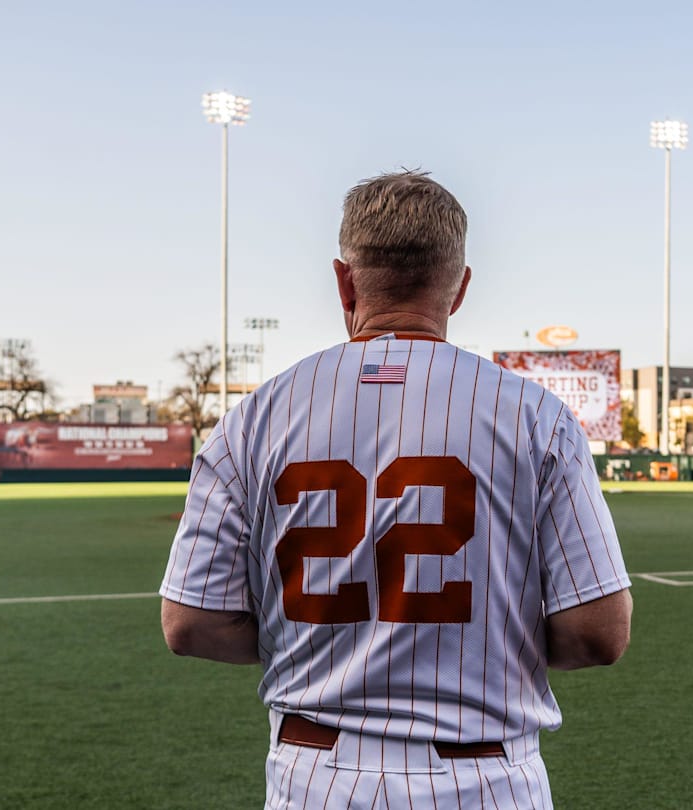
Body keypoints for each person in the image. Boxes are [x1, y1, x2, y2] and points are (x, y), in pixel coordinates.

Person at [160, 170, 632, 809]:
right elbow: (598, 633)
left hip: (313, 778)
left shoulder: (255, 416)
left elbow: (190, 622)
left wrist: (314, 643)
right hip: (485, 780)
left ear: (344, 279)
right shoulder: (536, 415)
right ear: (459, 287)